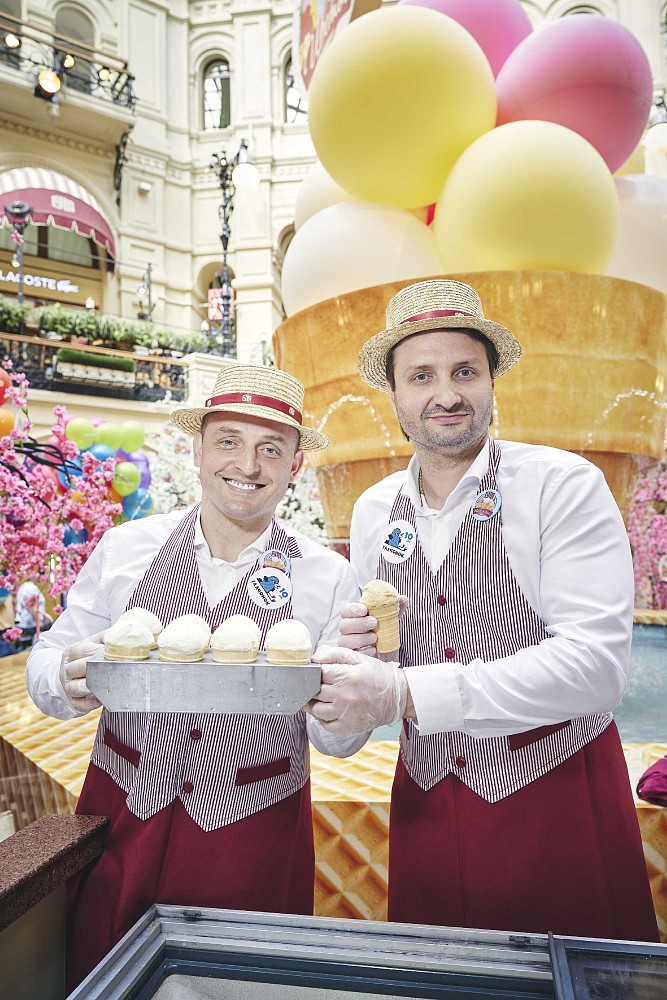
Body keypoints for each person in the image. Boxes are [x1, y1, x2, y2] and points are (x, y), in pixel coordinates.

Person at [307, 278, 659, 942]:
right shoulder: (375, 510)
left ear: (492, 382)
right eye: (421, 376)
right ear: (393, 395)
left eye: (464, 371)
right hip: (424, 803)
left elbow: (594, 668)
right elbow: (379, 660)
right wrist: (353, 668)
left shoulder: (561, 485)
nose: (445, 394)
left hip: (555, 799)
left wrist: (401, 691)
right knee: (440, 975)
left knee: (572, 978)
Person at [26, 364, 364, 988]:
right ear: (198, 450)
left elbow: (337, 742)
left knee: (244, 986)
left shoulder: (328, 576)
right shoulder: (126, 548)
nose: (248, 464)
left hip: (255, 829)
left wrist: (352, 700)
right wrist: (67, 677)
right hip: (122, 816)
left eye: (271, 448)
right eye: (228, 441)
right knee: (108, 978)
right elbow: (46, 660)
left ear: (295, 465)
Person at [15, 580, 52, 650]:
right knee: (32, 649)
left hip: (23, 623)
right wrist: (39, 622)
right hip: (31, 624)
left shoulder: (23, 586)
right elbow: (31, 606)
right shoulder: (31, 588)